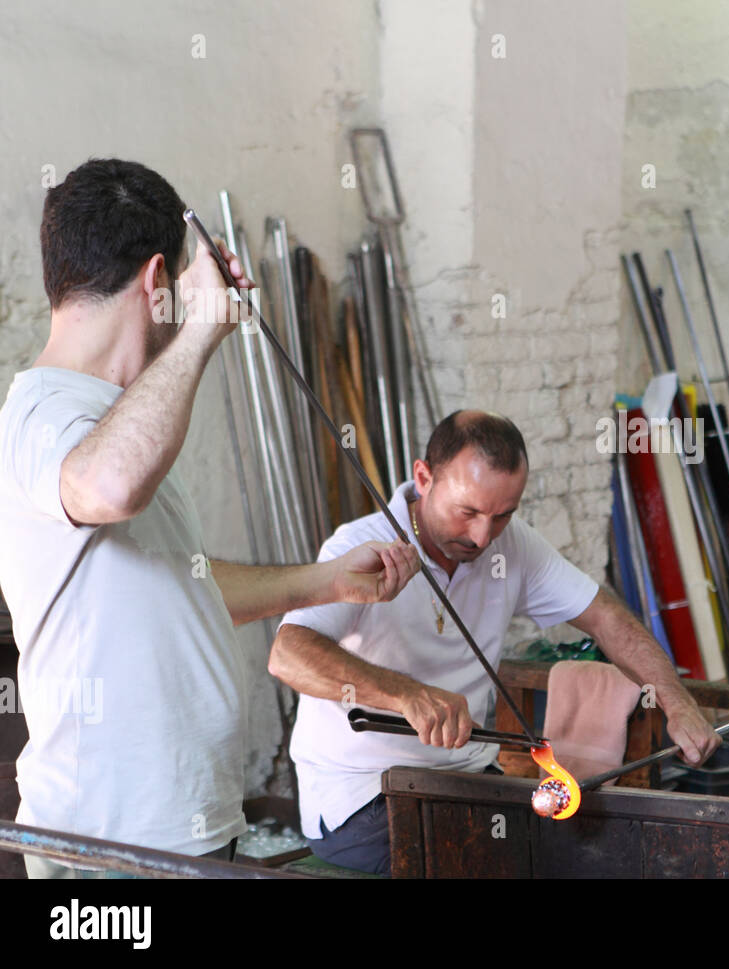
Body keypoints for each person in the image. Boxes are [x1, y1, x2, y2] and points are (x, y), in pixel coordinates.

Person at [0, 158, 420, 877]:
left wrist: (325, 582)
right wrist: (202, 330)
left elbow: (179, 584)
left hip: (171, 832)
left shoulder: (109, 419)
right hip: (114, 844)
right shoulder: (46, 413)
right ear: (157, 280)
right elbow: (106, 486)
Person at [270, 409, 723, 875]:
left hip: (469, 779)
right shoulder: (362, 545)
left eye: (503, 515)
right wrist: (405, 694)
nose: (483, 535)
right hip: (362, 793)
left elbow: (607, 618)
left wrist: (677, 703)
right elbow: (288, 653)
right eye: (467, 512)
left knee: (588, 853)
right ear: (423, 477)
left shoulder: (514, 548)